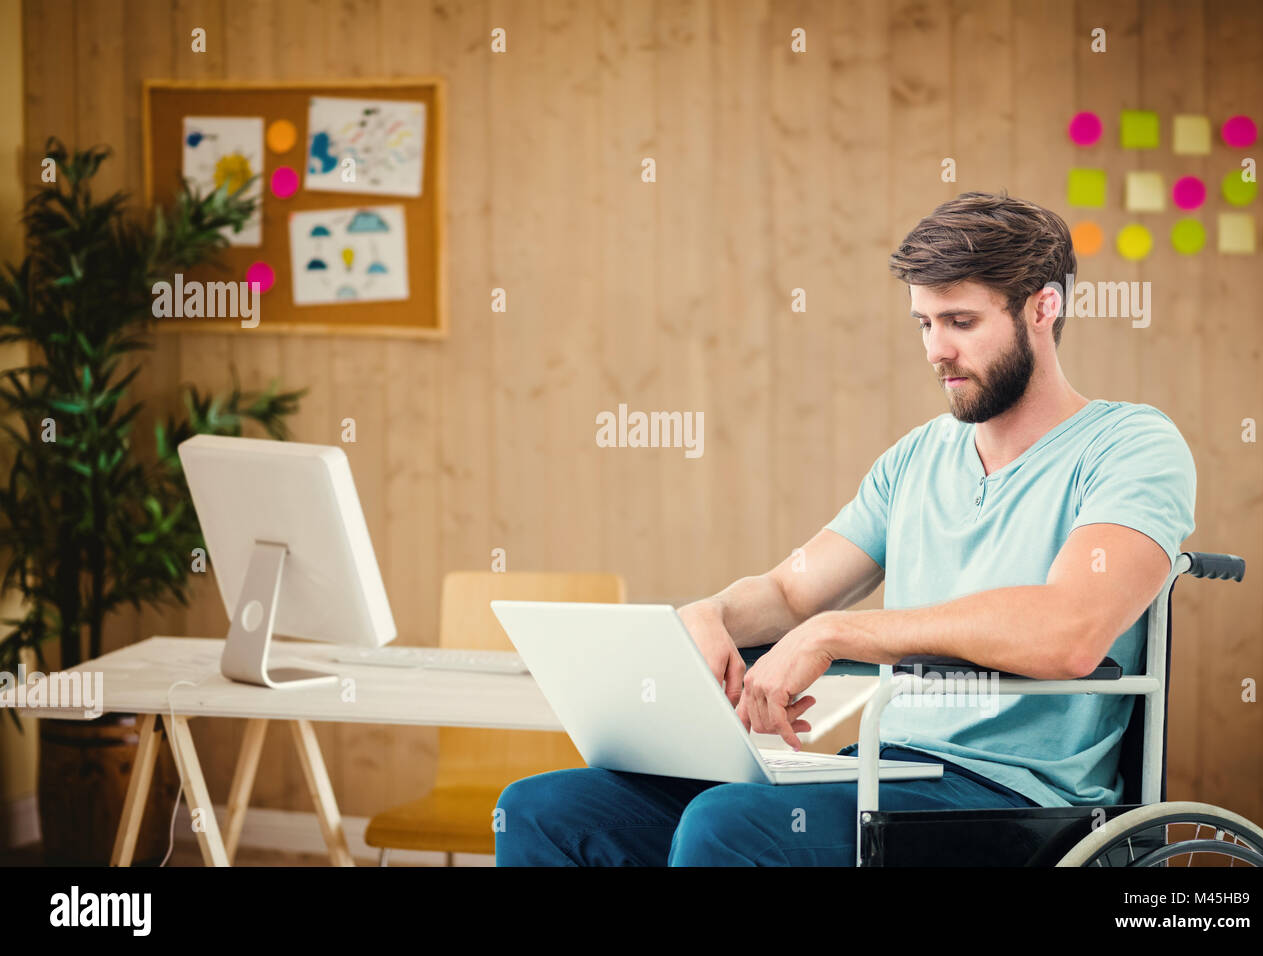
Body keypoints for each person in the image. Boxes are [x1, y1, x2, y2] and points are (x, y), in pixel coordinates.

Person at [495, 191, 1196, 866]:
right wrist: (713, 613)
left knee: (731, 827)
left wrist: (837, 634)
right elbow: (794, 592)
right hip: (884, 775)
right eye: (924, 323)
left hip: (1017, 804)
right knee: (546, 810)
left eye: (959, 322)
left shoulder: (1131, 445)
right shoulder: (919, 456)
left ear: (1044, 307)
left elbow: (1068, 632)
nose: (936, 351)